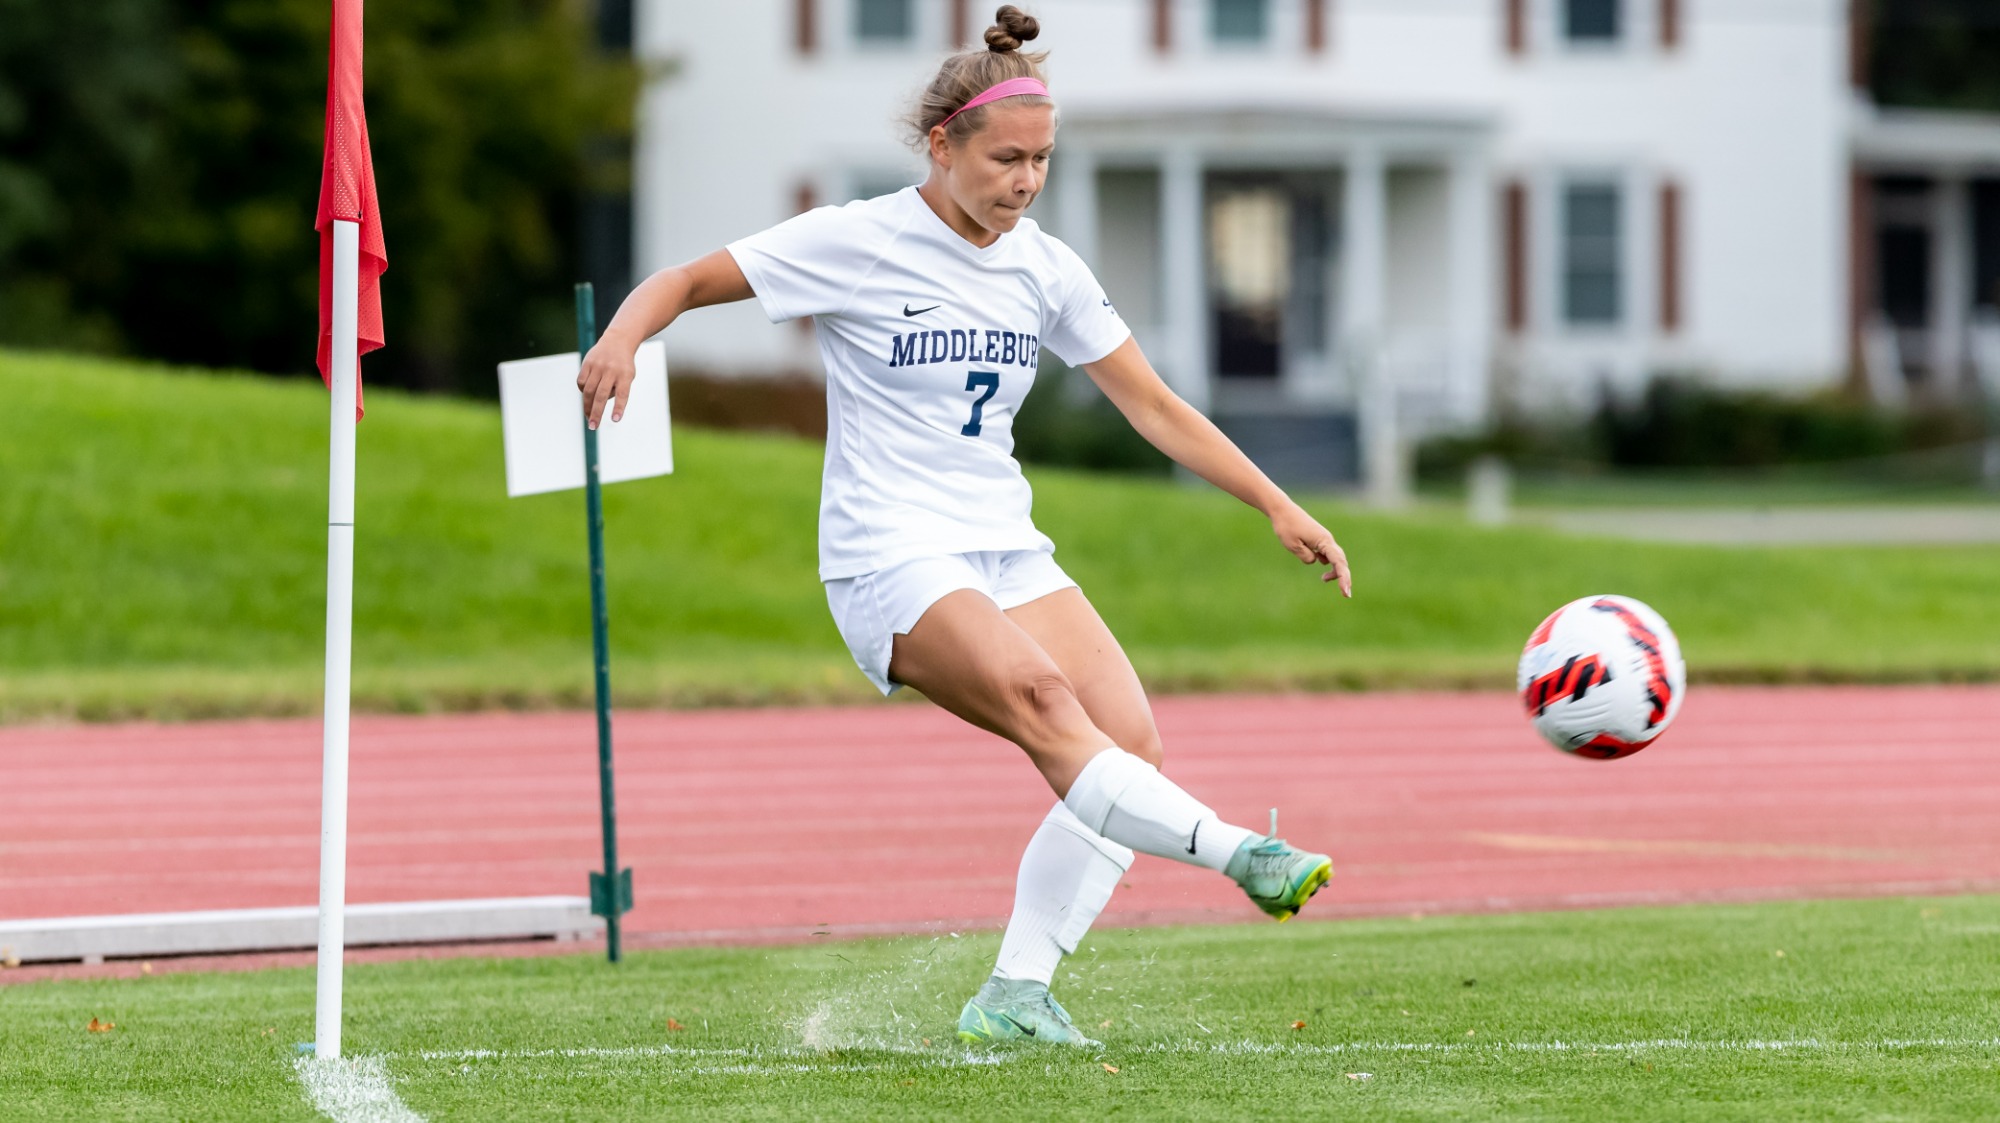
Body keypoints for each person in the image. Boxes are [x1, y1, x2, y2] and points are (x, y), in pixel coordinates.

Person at [577, 5, 1350, 1048]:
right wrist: (624, 337)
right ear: (940, 147)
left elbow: (1154, 405)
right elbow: (683, 280)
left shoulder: (1044, 267)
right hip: (886, 551)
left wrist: (1276, 502)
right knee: (1043, 700)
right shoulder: (857, 239)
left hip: (1004, 544)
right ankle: (1235, 853)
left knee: (1127, 739)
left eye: (1039, 161)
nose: (1023, 182)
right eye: (1003, 159)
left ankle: (1014, 995)